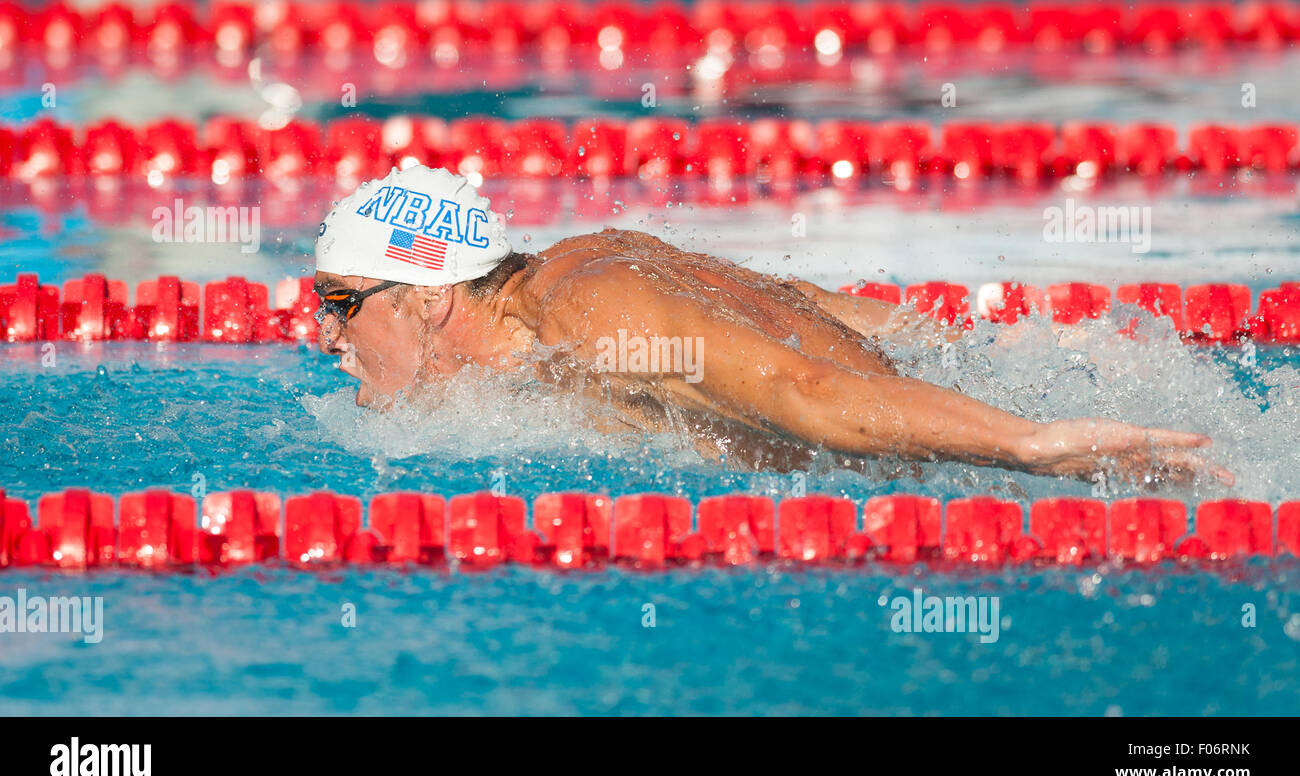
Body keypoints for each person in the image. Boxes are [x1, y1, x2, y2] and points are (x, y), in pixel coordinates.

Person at [313, 165, 1233, 486]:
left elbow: (807, 385)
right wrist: (988, 350)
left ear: (429, 296)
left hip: (965, 459)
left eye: (340, 305)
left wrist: (1030, 444)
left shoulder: (587, 311)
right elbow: (814, 313)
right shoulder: (576, 271)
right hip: (947, 426)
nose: (324, 335)